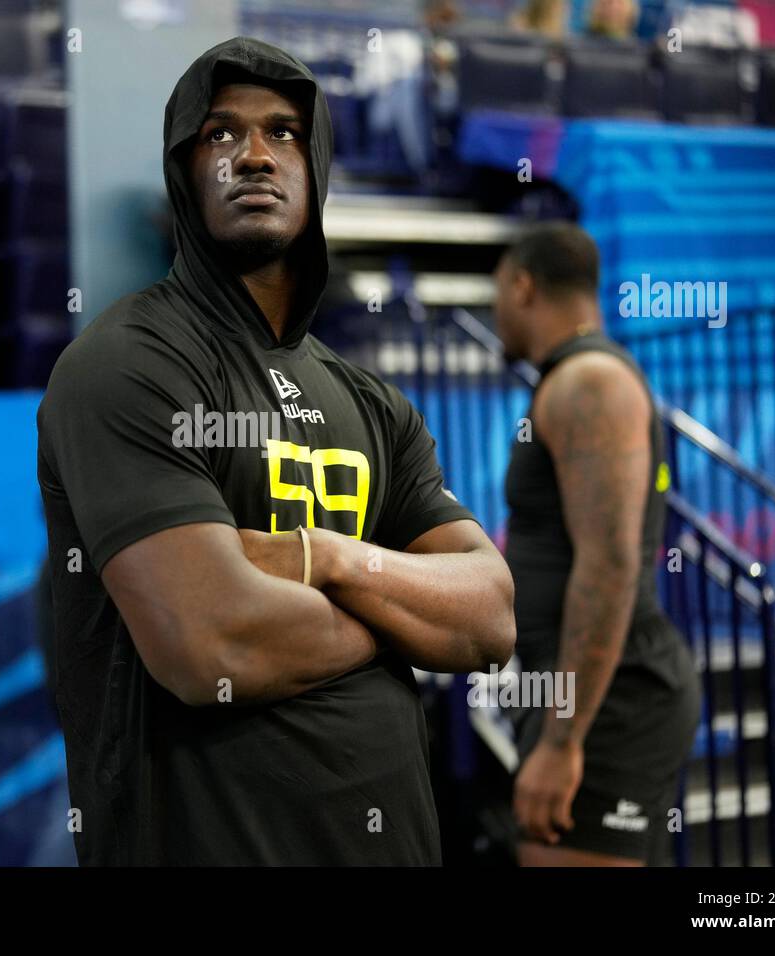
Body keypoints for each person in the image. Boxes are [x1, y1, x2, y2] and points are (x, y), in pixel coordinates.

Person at [36, 37, 515, 866]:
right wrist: (405, 618)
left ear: (317, 161)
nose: (253, 155)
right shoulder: (127, 363)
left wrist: (325, 559)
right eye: (220, 135)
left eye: (284, 132)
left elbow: (490, 613)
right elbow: (213, 644)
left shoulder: (374, 403)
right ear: (184, 170)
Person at [493, 223, 699, 867]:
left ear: (523, 286)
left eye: (498, 291)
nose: (494, 311)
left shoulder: (589, 383)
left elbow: (610, 566)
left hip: (610, 701)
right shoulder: (572, 379)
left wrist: (562, 740)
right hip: (585, 695)